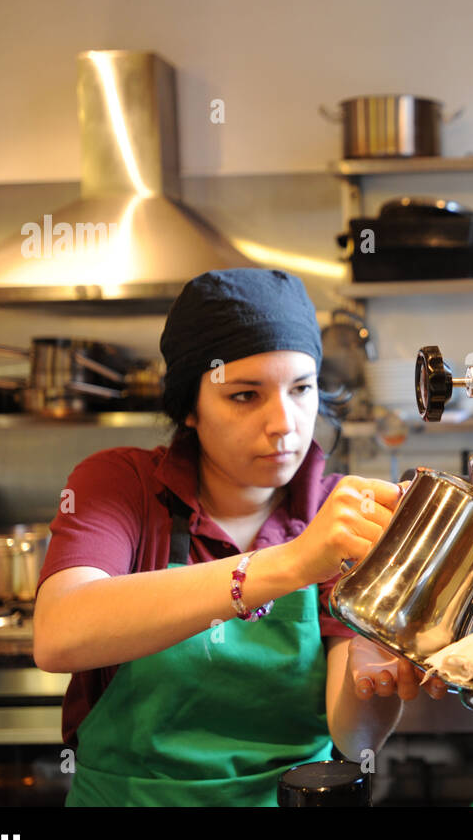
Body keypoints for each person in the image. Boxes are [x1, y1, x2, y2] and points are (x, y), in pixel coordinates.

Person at [33, 267, 444, 806]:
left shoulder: (338, 511)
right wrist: (293, 563)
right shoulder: (121, 486)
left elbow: (354, 737)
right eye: (246, 396)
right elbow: (60, 633)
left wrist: (376, 665)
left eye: (301, 389)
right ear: (189, 408)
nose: (285, 423)